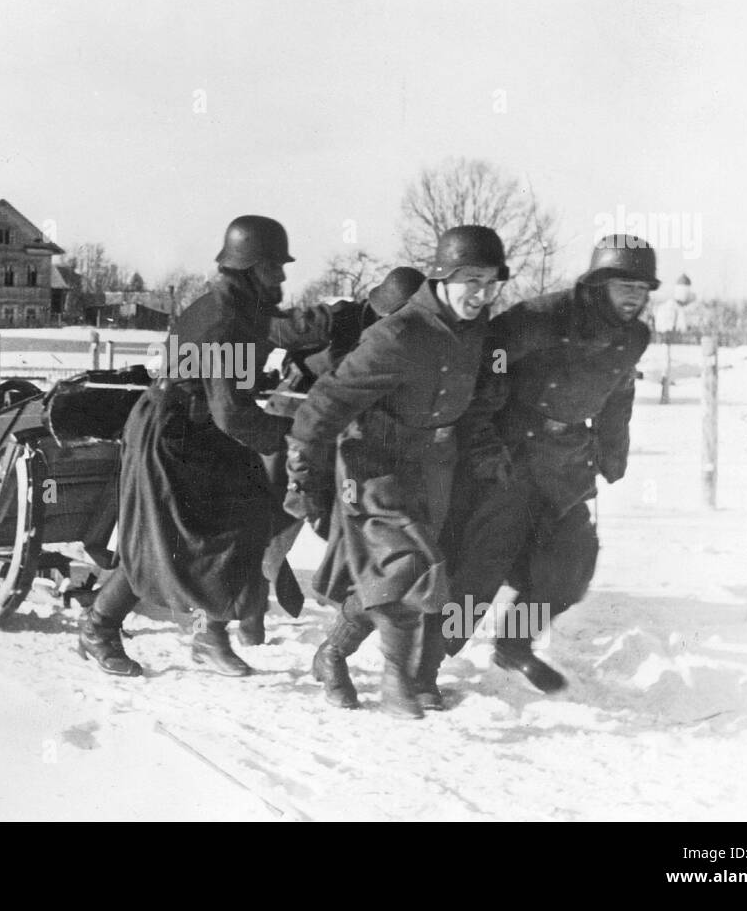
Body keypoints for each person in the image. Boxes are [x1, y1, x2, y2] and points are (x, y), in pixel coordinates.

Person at [287, 228, 508, 717]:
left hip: (433, 467)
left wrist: (488, 450)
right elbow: (327, 399)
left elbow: (471, 404)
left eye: (491, 283)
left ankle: (332, 654)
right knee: (410, 565)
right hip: (373, 465)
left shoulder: (477, 332)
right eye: (472, 281)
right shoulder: (400, 334)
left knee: (408, 572)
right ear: (442, 277)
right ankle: (397, 684)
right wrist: (302, 470)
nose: (482, 294)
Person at [75, 215, 302, 678]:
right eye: (274, 266)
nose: (281, 276)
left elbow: (265, 352)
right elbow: (233, 413)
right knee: (161, 543)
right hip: (171, 434)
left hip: (202, 430)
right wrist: (291, 434)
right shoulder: (222, 318)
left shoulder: (240, 308)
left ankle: (208, 635)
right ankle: (98, 627)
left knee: (245, 520)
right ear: (248, 268)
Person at [443, 235, 656, 693]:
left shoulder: (634, 337)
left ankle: (515, 643)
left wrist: (613, 450)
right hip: (509, 452)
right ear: (597, 285)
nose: (635, 298)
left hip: (566, 462)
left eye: (642, 289)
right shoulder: (542, 317)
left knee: (570, 566)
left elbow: (620, 392)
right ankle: (424, 661)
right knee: (480, 568)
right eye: (625, 286)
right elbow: (491, 355)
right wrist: (486, 424)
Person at [248, 267, 426, 646]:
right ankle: (249, 607)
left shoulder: (404, 339)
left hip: (338, 433)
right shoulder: (340, 318)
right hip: (290, 421)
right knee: (275, 514)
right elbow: (277, 330)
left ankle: (344, 596)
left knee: (328, 514)